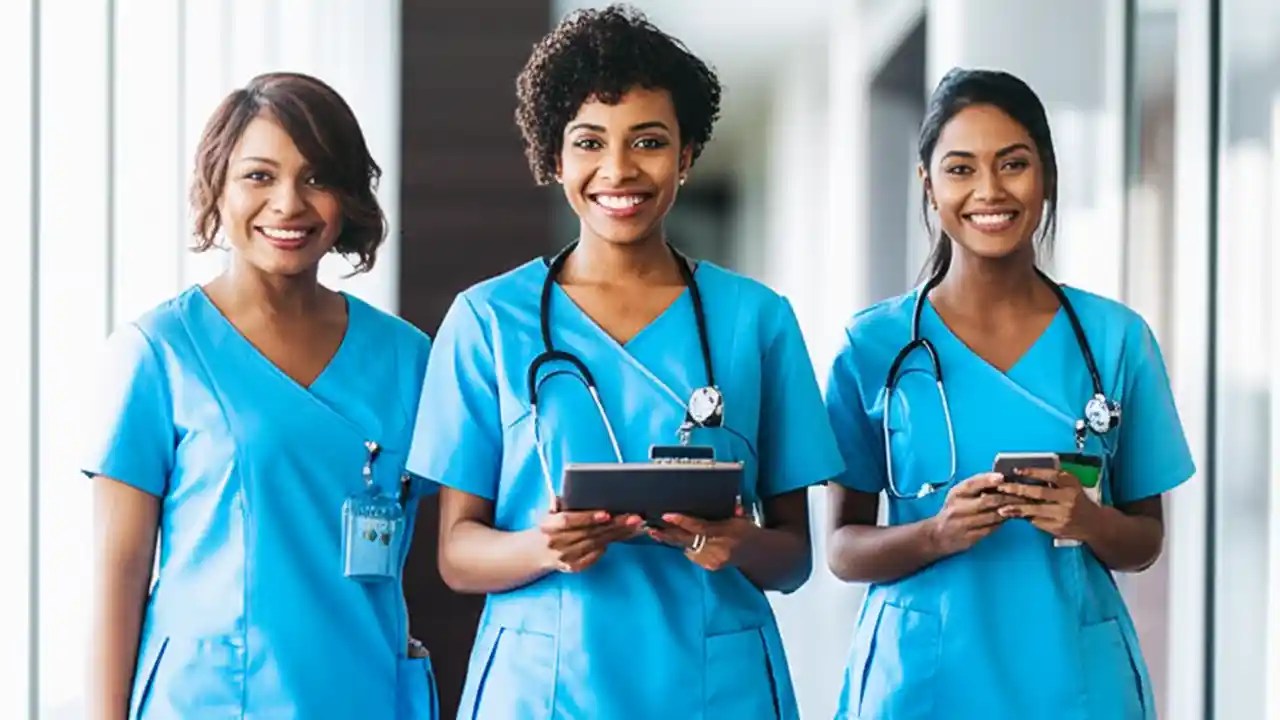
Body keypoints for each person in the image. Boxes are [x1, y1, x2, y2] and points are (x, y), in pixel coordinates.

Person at [405, 6, 844, 718]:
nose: (618, 170)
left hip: (714, 684)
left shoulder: (755, 321)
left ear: (688, 154)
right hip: (542, 686)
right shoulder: (488, 320)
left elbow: (793, 558)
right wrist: (542, 548)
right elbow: (457, 553)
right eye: (588, 142)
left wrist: (732, 542)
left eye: (648, 141)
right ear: (553, 157)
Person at [823, 67, 1195, 720]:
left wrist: (1087, 520)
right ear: (928, 186)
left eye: (1013, 164)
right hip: (920, 681)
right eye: (961, 168)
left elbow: (1145, 540)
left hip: (1073, 680)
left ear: (1046, 175)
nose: (989, 191)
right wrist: (936, 534)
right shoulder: (874, 345)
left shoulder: (1115, 340)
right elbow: (842, 549)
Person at [85, 72, 437, 719]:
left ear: (349, 196)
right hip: (208, 700)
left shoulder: (407, 357)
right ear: (216, 183)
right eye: (258, 176)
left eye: (317, 177)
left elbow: (458, 536)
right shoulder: (159, 351)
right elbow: (120, 571)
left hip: (360, 690)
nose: (288, 204)